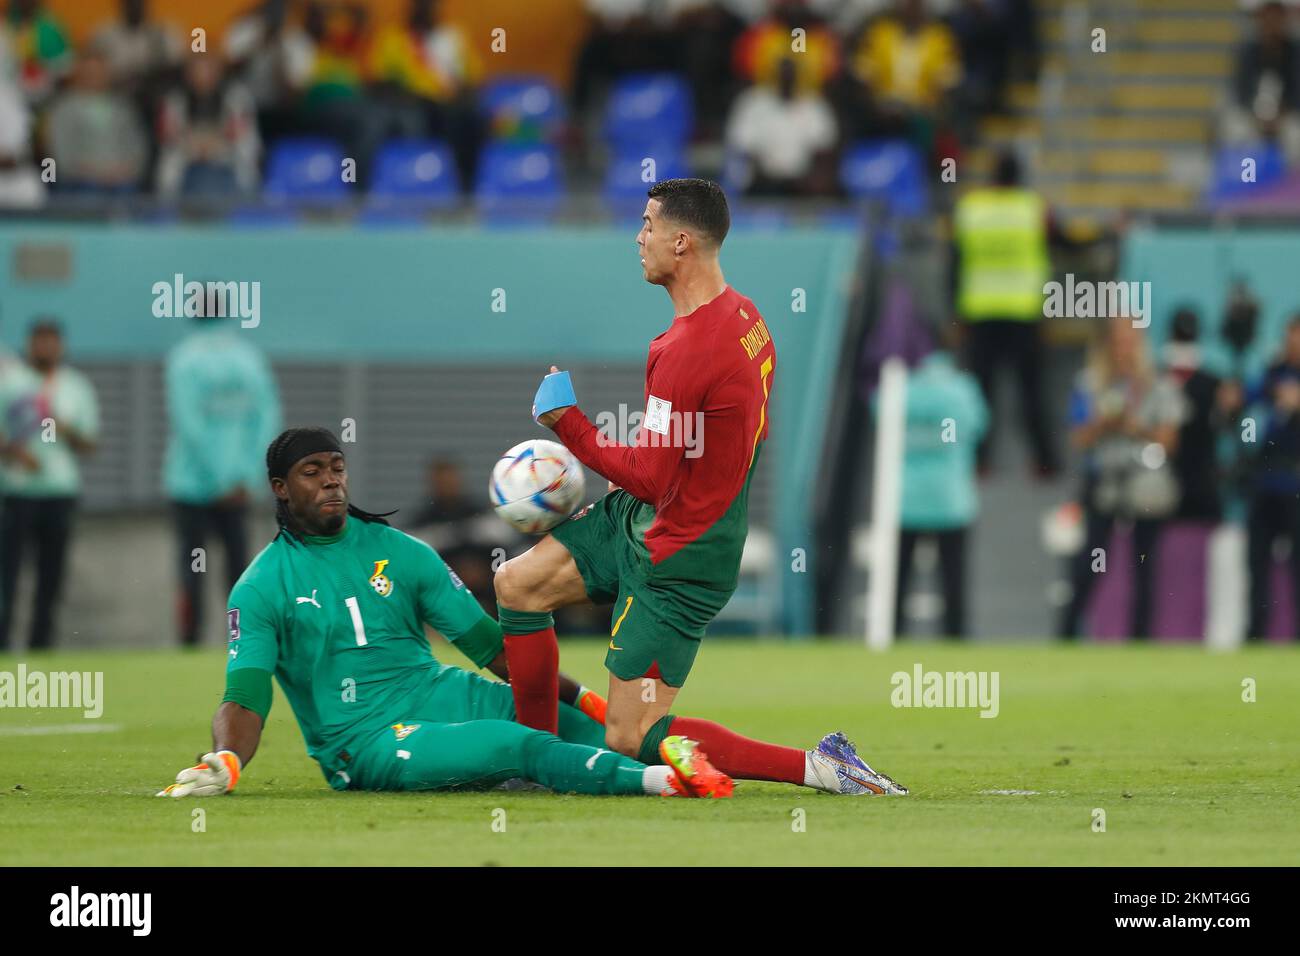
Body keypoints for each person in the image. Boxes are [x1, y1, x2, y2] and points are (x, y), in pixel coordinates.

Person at [494, 178, 907, 795]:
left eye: (648, 225)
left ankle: (821, 766)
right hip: (645, 520)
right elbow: (690, 456)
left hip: (682, 555)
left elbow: (653, 477)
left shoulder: (688, 350)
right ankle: (532, 761)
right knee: (516, 584)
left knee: (631, 737)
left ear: (680, 242)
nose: (639, 238)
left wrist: (567, 423)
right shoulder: (746, 317)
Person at [156, 426, 734, 799]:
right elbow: (246, 696)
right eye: (313, 472)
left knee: (608, 731)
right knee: (522, 746)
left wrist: (581, 696)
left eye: (336, 466)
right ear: (280, 488)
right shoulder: (259, 588)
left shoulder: (402, 552)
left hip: (437, 693)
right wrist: (228, 759)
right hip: (367, 741)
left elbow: (492, 650)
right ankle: (664, 783)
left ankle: (807, 766)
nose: (331, 479)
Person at [1058, 318, 1183, 641]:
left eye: (1130, 340)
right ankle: (1066, 635)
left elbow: (1169, 442)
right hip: (1104, 483)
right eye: (1117, 341)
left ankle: (1141, 640)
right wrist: (1103, 424)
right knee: (1090, 564)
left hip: (1145, 485)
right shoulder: (1089, 383)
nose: (1123, 348)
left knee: (1144, 566)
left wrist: (1133, 426)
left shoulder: (1158, 385)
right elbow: (1079, 439)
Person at [164, 311, 280, 646]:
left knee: (192, 570)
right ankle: (242, 642)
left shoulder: (184, 359)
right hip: (239, 488)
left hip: (192, 485)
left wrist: (218, 478)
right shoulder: (250, 358)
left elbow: (189, 424)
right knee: (240, 572)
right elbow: (267, 418)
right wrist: (244, 476)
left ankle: (190, 643)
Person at [953, 149, 1060, 477]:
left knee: (980, 393)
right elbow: (1066, 243)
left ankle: (977, 462)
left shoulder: (970, 209)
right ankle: (1044, 463)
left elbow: (954, 265)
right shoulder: (1033, 208)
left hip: (980, 311)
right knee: (1032, 393)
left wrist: (955, 313)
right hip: (1023, 312)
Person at [0, 319, 99, 650]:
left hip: (59, 491)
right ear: (29, 344)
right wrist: (15, 452)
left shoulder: (75, 387)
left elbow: (90, 444)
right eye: (39, 341)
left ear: (61, 345)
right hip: (18, 492)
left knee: (51, 576)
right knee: (8, 576)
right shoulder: (11, 383)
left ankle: (40, 648)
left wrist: (64, 428)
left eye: (51, 341)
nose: (45, 348)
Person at [887, 335, 989, 638]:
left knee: (897, 583)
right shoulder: (962, 389)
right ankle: (955, 643)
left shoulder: (899, 387)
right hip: (951, 501)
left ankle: (890, 639)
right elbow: (979, 424)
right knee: (953, 582)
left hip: (905, 500)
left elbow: (877, 412)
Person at [1240, 315, 1300, 640]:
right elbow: (1244, 406)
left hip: (1295, 484)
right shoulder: (1271, 374)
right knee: (1257, 566)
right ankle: (1256, 634)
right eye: (1291, 337)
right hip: (1265, 482)